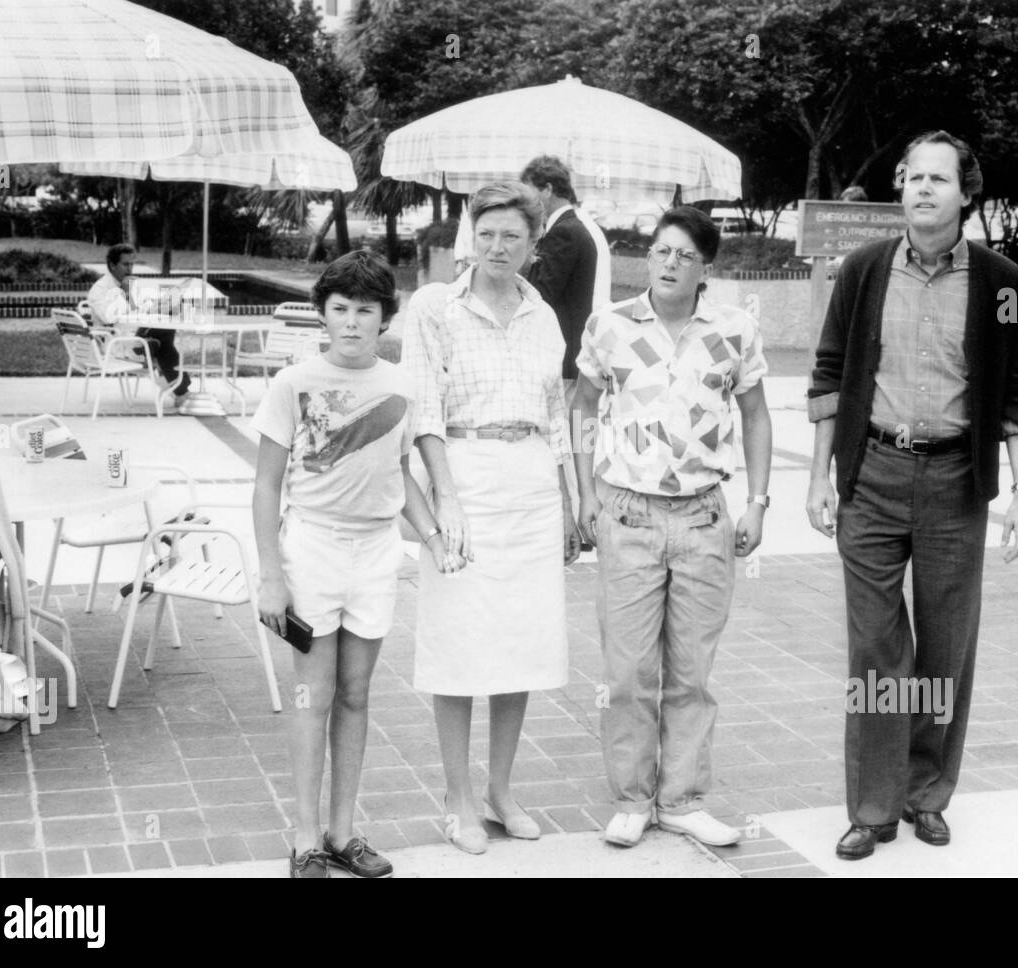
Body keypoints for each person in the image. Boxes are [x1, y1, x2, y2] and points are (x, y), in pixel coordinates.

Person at [804, 130, 1018, 860]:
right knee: (877, 651)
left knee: (944, 648)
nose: (922, 190)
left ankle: (926, 791)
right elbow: (828, 373)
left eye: (939, 179)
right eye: (912, 177)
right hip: (871, 476)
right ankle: (873, 807)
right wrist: (818, 475)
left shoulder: (1003, 281)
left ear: (966, 193)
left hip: (954, 483)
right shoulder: (864, 270)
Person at [252, 250, 464, 879]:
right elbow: (266, 487)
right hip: (312, 547)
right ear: (322, 314)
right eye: (339, 309)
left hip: (374, 552)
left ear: (383, 319)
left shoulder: (400, 386)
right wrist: (270, 574)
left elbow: (398, 477)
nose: (350, 322)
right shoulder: (292, 384)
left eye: (364, 310)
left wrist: (431, 535)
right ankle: (304, 837)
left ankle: (344, 832)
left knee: (355, 693)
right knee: (311, 694)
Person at [573, 206, 773, 849]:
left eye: (685, 255)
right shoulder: (609, 326)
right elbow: (579, 412)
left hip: (703, 518)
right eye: (661, 250)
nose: (669, 263)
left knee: (690, 673)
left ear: (704, 266)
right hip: (626, 515)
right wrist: (584, 496)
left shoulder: (735, 330)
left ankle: (683, 799)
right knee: (629, 672)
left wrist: (759, 500)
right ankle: (633, 799)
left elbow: (757, 417)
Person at [401, 181, 580, 855]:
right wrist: (445, 497)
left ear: (534, 245)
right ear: (469, 237)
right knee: (459, 646)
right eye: (487, 233)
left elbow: (558, 416)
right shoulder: (433, 307)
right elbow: (423, 410)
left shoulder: (544, 316)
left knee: (519, 647)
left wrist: (568, 498)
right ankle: (458, 799)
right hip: (464, 479)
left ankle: (502, 790)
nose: (497, 247)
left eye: (512, 236)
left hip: (531, 484)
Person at [520, 155, 599, 387]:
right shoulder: (569, 228)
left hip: (562, 356)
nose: (526, 202)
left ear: (547, 189)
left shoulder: (564, 232)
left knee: (570, 421)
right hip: (568, 350)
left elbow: (540, 295)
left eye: (529, 192)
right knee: (572, 421)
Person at [87, 243, 191, 407]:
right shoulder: (100, 289)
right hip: (117, 344)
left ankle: (180, 390)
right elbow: (109, 317)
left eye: (132, 264)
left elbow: (143, 307)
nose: (130, 269)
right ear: (112, 265)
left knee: (163, 333)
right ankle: (182, 391)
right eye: (125, 264)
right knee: (162, 337)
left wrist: (164, 305)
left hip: (135, 337)